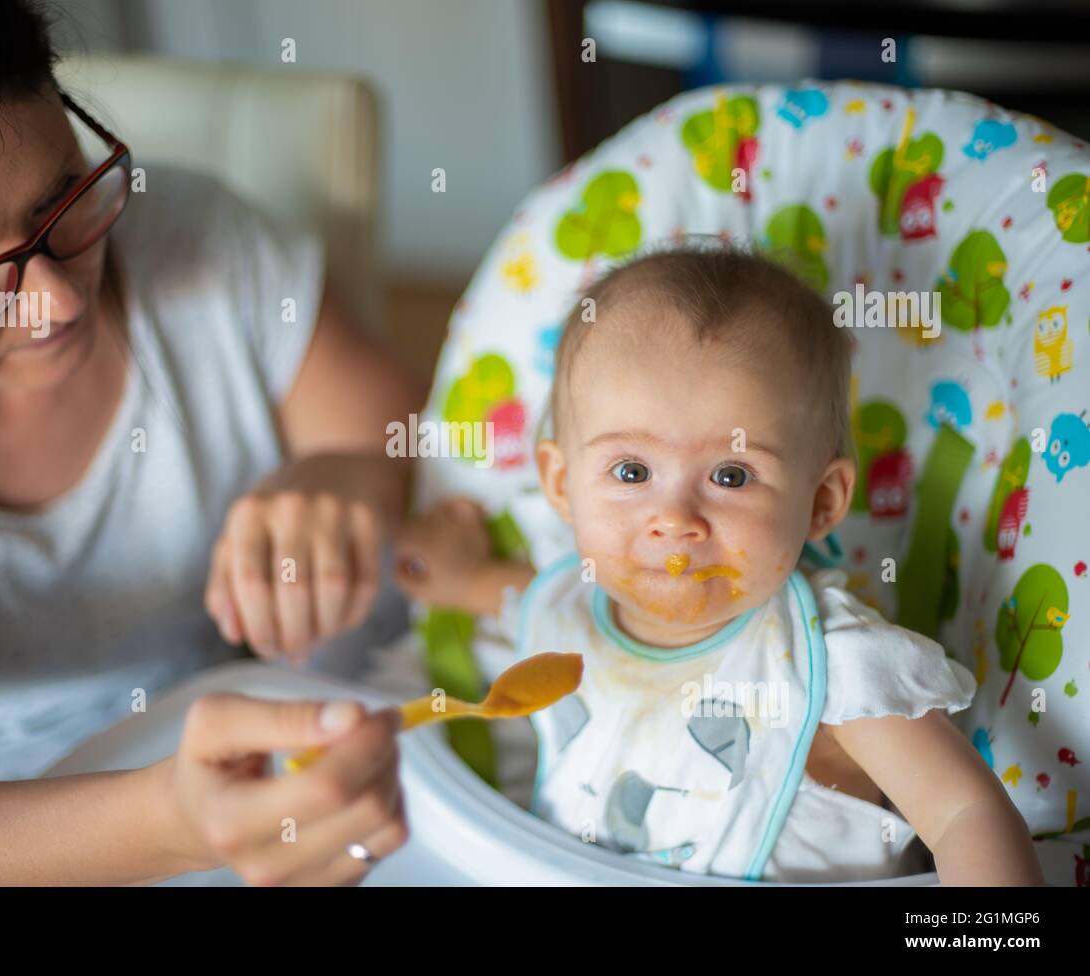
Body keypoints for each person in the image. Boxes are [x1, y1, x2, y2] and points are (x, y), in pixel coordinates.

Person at [0, 0, 422, 885]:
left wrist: (342, 476)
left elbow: (395, 434)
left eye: (62, 204)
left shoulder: (202, 243)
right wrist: (167, 821)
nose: (58, 303)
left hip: (236, 755)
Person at [395, 247, 1043, 884]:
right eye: (632, 471)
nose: (675, 517)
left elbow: (965, 813)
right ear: (561, 485)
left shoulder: (834, 668)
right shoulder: (565, 601)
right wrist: (457, 574)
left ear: (819, 503)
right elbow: (514, 594)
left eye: (732, 475)